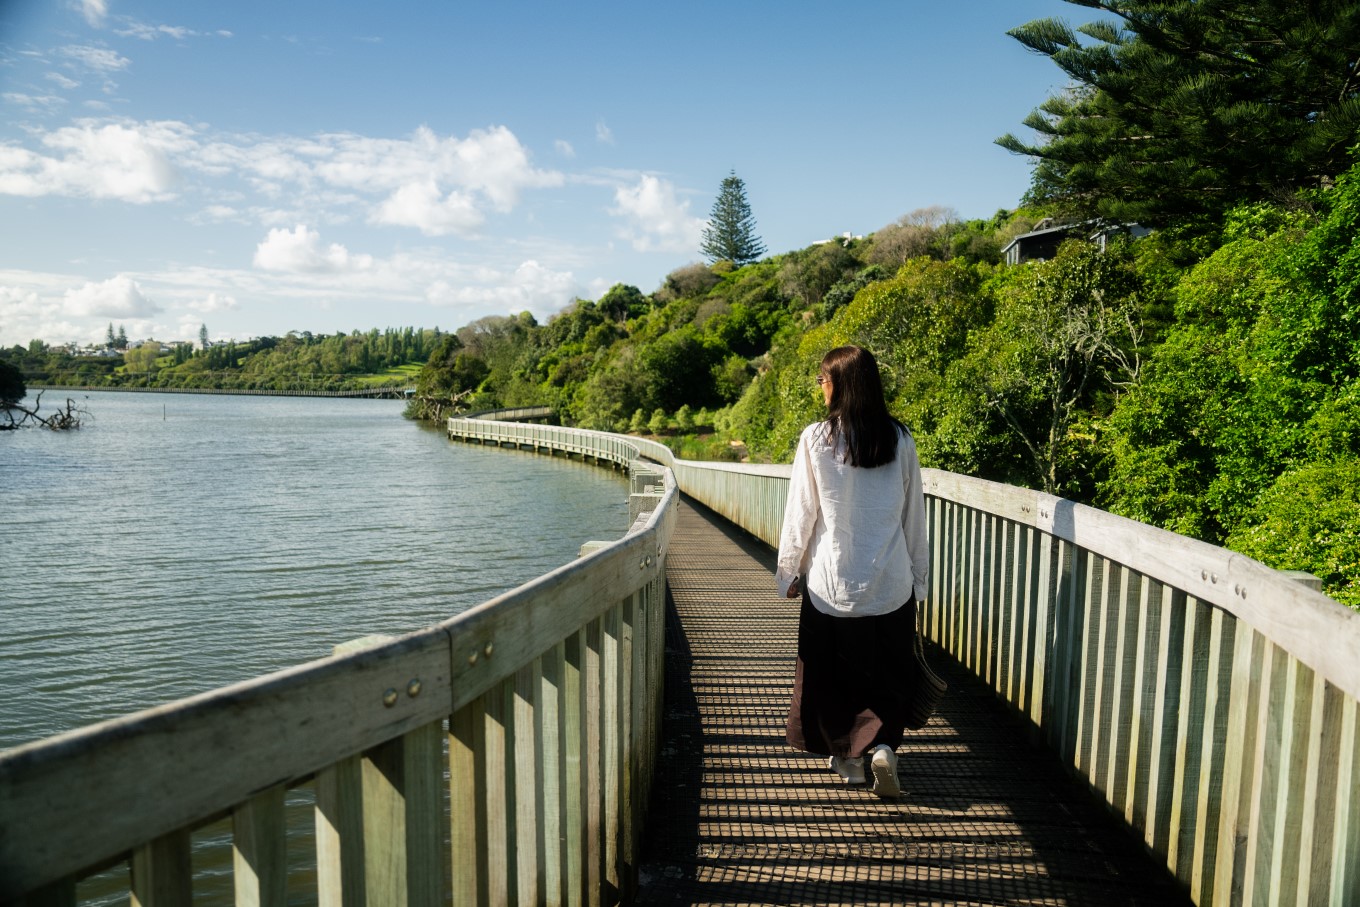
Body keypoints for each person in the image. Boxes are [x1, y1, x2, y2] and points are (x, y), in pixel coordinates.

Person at [775, 345, 929, 798]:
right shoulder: (900, 439)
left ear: (840, 384)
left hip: (831, 583)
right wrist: (919, 579)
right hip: (889, 584)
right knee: (887, 674)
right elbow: (913, 517)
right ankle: (882, 747)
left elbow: (801, 511)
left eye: (823, 380)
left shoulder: (817, 439)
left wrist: (788, 571)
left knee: (832, 676)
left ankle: (849, 759)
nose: (820, 388)